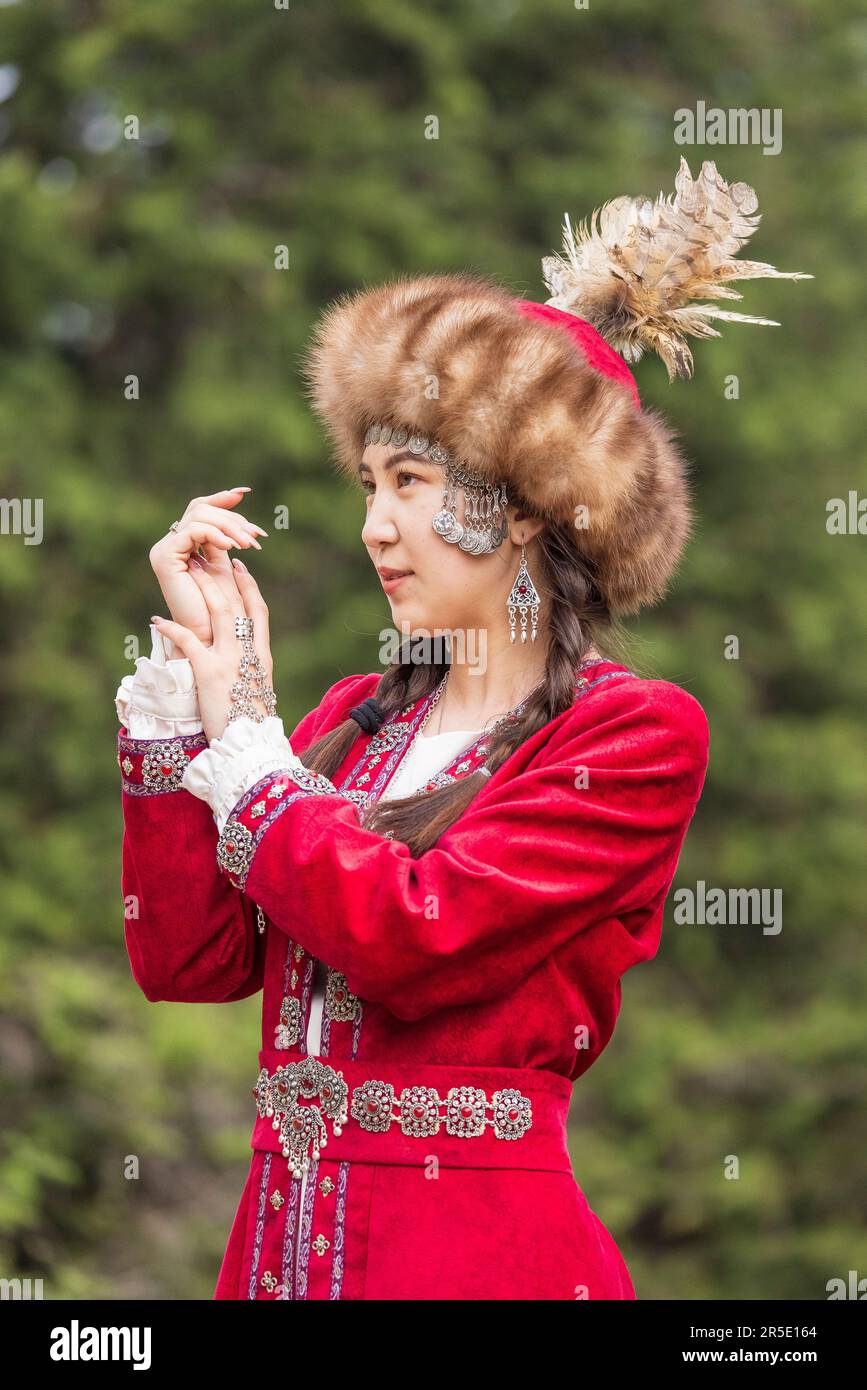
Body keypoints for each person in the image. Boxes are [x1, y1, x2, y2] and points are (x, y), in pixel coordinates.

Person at [115, 160, 808, 1300]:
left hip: (475, 1263)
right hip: (275, 1260)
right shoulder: (352, 722)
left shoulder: (632, 736)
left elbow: (414, 937)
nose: (374, 526)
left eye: (412, 481)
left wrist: (246, 740)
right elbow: (191, 963)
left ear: (527, 501)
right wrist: (187, 718)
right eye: (369, 484)